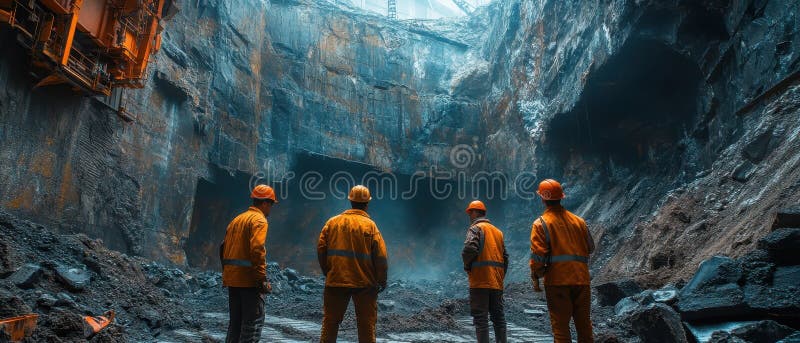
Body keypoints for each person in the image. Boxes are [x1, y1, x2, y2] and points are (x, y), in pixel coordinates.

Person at [317, 185, 388, 343]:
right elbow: (381, 257)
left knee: (330, 323)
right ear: (367, 204)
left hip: (336, 280)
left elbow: (321, 249)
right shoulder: (371, 226)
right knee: (366, 325)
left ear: (350, 201)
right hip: (365, 284)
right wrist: (381, 280)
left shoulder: (332, 223)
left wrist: (328, 271)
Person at [530, 179, 595, 343]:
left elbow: (538, 257)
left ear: (543, 199)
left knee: (561, 329)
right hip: (581, 280)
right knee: (584, 327)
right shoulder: (579, 221)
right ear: (561, 197)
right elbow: (590, 247)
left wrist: (537, 274)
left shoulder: (541, 224)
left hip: (557, 282)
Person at [220, 184, 277, 343]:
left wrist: (227, 274)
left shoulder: (236, 220)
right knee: (251, 326)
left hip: (232, 280)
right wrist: (261, 279)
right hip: (249, 281)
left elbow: (223, 248)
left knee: (235, 325)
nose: (271, 209)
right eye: (271, 204)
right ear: (265, 203)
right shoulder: (259, 220)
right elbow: (257, 249)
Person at [462, 200, 508, 343]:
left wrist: (468, 266)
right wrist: (499, 275)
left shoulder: (476, 229)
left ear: (475, 212)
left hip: (480, 281)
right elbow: (505, 257)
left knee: (481, 320)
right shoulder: (498, 232)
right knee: (499, 318)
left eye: (470, 212)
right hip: (496, 282)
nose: (469, 216)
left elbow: (469, 249)